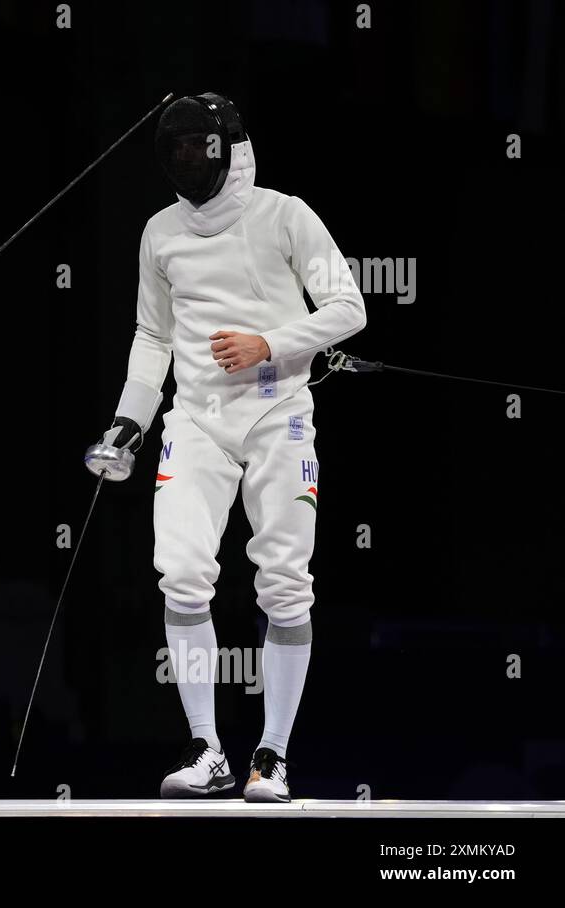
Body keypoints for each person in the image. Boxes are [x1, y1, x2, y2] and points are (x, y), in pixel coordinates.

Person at [96, 94, 366, 802]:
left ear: (226, 147)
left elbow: (348, 307)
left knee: (283, 582)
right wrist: (130, 418)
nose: (186, 159)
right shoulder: (160, 232)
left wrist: (269, 343)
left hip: (280, 414)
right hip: (196, 418)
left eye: (198, 147)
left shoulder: (284, 214)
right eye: (175, 149)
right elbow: (152, 337)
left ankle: (271, 754)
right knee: (180, 573)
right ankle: (206, 749)